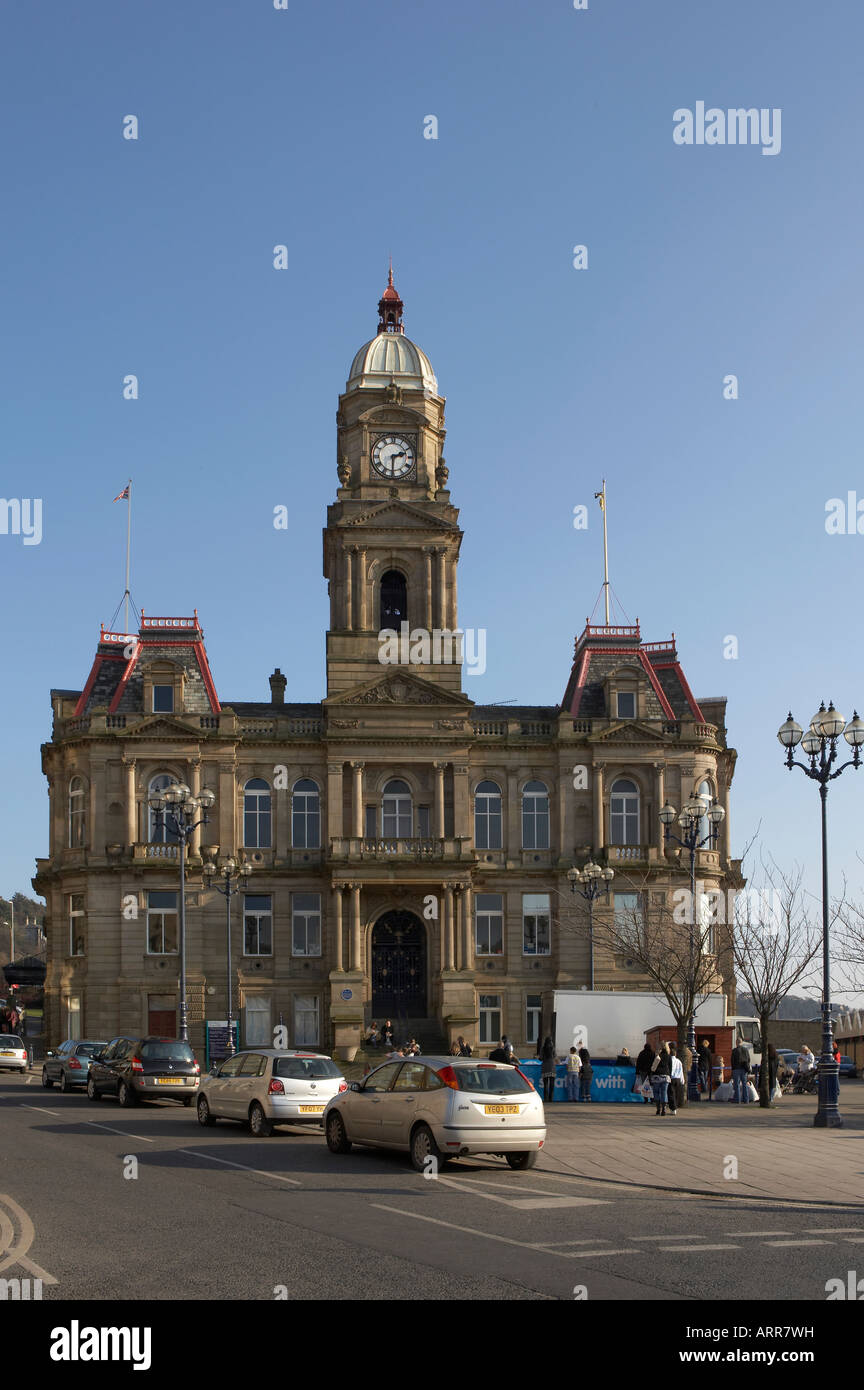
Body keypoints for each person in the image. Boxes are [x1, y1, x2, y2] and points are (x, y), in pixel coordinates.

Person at [650, 1044, 672, 1116]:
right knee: (664, 1092)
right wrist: (669, 1076)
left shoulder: (657, 1056)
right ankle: (664, 1109)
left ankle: (658, 1109)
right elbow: (670, 1067)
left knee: (656, 1092)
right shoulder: (669, 1057)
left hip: (656, 1076)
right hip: (665, 1076)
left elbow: (652, 1066)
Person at [667, 1042, 685, 1115]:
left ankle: (673, 1108)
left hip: (671, 1078)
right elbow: (681, 1071)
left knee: (671, 1094)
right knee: (676, 1093)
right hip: (677, 1078)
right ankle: (675, 1106)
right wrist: (682, 1080)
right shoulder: (679, 1061)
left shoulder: (669, 1061)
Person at [540, 1036, 556, 1103]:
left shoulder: (543, 1048)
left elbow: (541, 1057)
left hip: (545, 1066)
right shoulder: (553, 1048)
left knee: (546, 1084)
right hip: (552, 1066)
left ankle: (546, 1099)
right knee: (552, 1084)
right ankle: (551, 1099)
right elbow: (555, 1056)